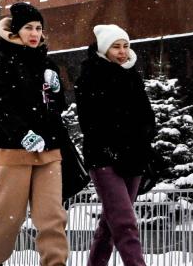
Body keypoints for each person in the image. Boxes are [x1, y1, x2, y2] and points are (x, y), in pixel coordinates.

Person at [0, 2, 69, 266]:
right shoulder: (0, 61)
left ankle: (55, 263)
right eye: (29, 28)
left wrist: (56, 91)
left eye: (39, 28)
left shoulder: (47, 61)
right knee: (8, 217)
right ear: (16, 30)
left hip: (49, 149)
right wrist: (23, 134)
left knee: (52, 216)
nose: (35, 33)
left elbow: (58, 106)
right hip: (13, 150)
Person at [74, 24, 154, 266]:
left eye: (125, 46)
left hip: (134, 158)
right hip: (103, 158)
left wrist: (145, 148)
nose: (122, 52)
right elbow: (90, 122)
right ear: (104, 49)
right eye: (116, 46)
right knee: (124, 222)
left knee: (110, 223)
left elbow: (146, 118)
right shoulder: (90, 75)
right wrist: (111, 148)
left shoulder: (132, 75)